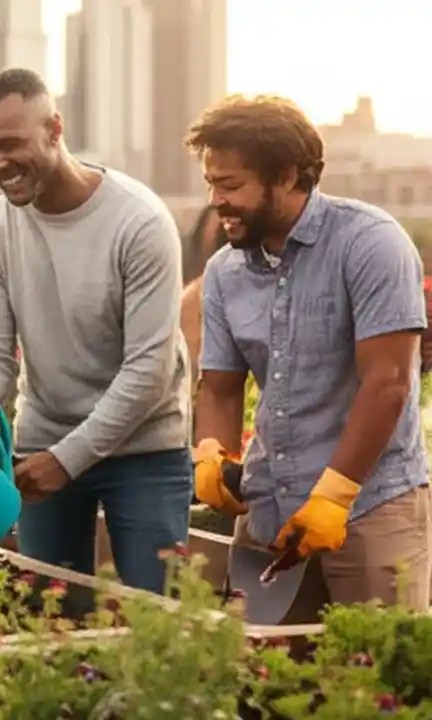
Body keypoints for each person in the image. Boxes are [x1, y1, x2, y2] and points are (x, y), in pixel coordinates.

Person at [0, 68, 191, 594]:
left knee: (157, 619)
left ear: (55, 129)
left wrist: (67, 460)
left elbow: (149, 370)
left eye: (9, 144)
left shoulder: (139, 223)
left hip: (143, 450)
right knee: (51, 618)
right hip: (42, 443)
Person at [188, 94, 430, 615]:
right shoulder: (226, 274)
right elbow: (221, 386)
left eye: (230, 186)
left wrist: (336, 494)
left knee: (373, 680)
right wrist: (214, 450)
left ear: (289, 175)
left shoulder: (371, 244)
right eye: (211, 183)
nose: (216, 200)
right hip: (268, 512)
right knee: (266, 678)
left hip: (371, 508)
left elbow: (388, 382)